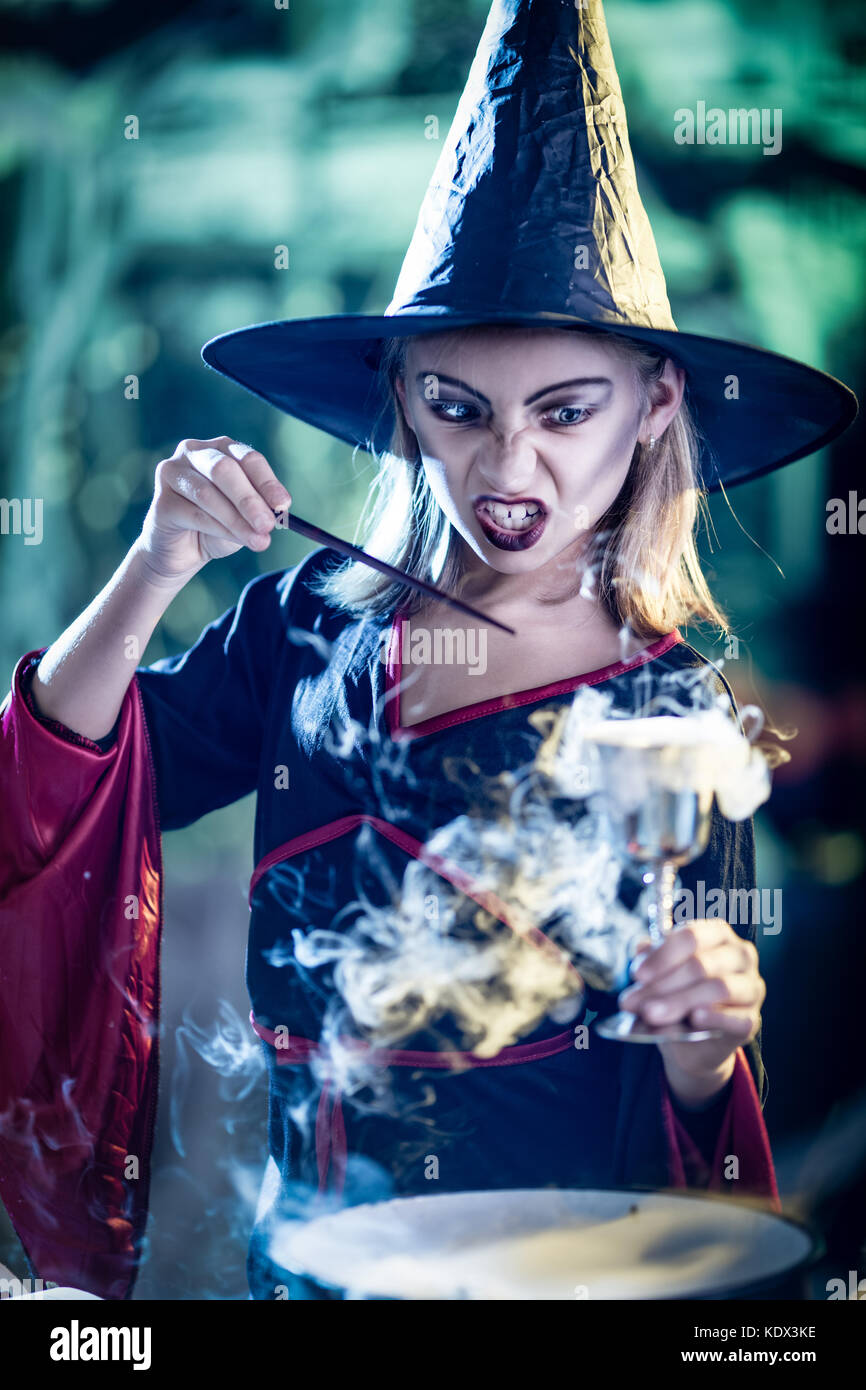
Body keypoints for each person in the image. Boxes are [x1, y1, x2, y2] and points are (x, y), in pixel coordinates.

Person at [0, 0, 856, 1300]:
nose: (509, 469)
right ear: (399, 396)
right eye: (459, 408)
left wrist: (704, 1044)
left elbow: (694, 1117)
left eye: (566, 410)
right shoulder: (303, 632)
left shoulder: (667, 710)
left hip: (578, 1275)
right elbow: (51, 796)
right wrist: (153, 563)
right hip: (315, 1270)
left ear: (653, 406)